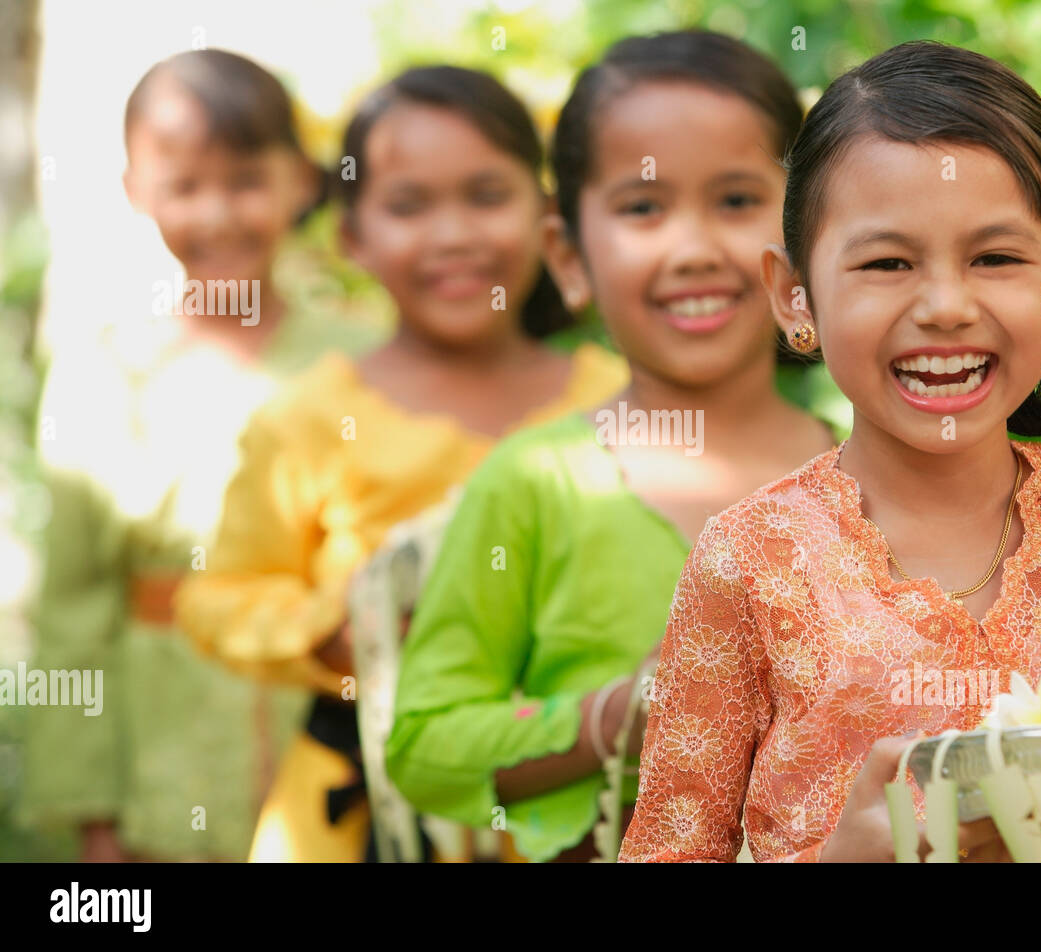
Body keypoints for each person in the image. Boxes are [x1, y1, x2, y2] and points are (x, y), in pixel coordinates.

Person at [619, 40, 1041, 863]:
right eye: (887, 262)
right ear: (795, 296)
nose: (947, 306)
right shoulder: (751, 562)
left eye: (996, 258)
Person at [385, 30, 838, 863]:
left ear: (806, 235)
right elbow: (423, 744)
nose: (694, 249)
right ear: (568, 255)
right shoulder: (535, 483)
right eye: (643, 208)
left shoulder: (870, 478)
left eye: (738, 201)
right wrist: (621, 718)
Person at [174, 65, 628, 862]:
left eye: (486, 196)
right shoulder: (309, 417)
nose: (453, 235)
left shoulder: (617, 401)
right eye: (409, 205)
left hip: (572, 796)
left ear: (548, 216)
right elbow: (219, 595)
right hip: (355, 814)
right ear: (353, 236)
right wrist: (332, 634)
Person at [22, 48, 386, 861]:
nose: (218, 214)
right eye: (186, 186)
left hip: (327, 727)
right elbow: (74, 616)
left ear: (301, 180)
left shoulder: (366, 358)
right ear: (136, 192)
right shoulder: (104, 371)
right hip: (162, 745)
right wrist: (97, 818)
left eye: (247, 181)